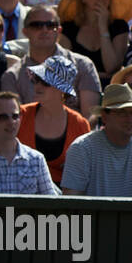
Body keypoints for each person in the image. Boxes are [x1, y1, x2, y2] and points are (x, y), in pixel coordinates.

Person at [60, 83, 132, 197]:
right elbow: (71, 204)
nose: (130, 119)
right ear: (104, 116)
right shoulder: (82, 148)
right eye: (121, 112)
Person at [8, 4, 101, 115]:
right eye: (36, 25)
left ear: (59, 31)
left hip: (79, 131)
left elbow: (91, 116)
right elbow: (14, 120)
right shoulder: (13, 76)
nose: (44, 30)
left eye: (51, 25)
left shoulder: (83, 65)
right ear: (25, 32)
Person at [56, 0, 132, 84]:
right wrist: (98, 75)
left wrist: (103, 27)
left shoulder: (119, 27)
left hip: (111, 89)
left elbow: (111, 67)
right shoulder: (69, 28)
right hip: (76, 87)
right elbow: (66, 68)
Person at [17, 55, 87, 187]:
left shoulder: (80, 124)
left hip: (62, 201)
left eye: (45, 82)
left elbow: (83, 172)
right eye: (36, 79)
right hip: (20, 193)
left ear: (62, 90)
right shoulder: (19, 115)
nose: (37, 85)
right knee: (9, 209)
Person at [0, 90, 55, 194]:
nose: (11, 122)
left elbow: (52, 203)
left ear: (21, 118)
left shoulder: (36, 160)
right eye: (3, 117)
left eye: (15, 116)